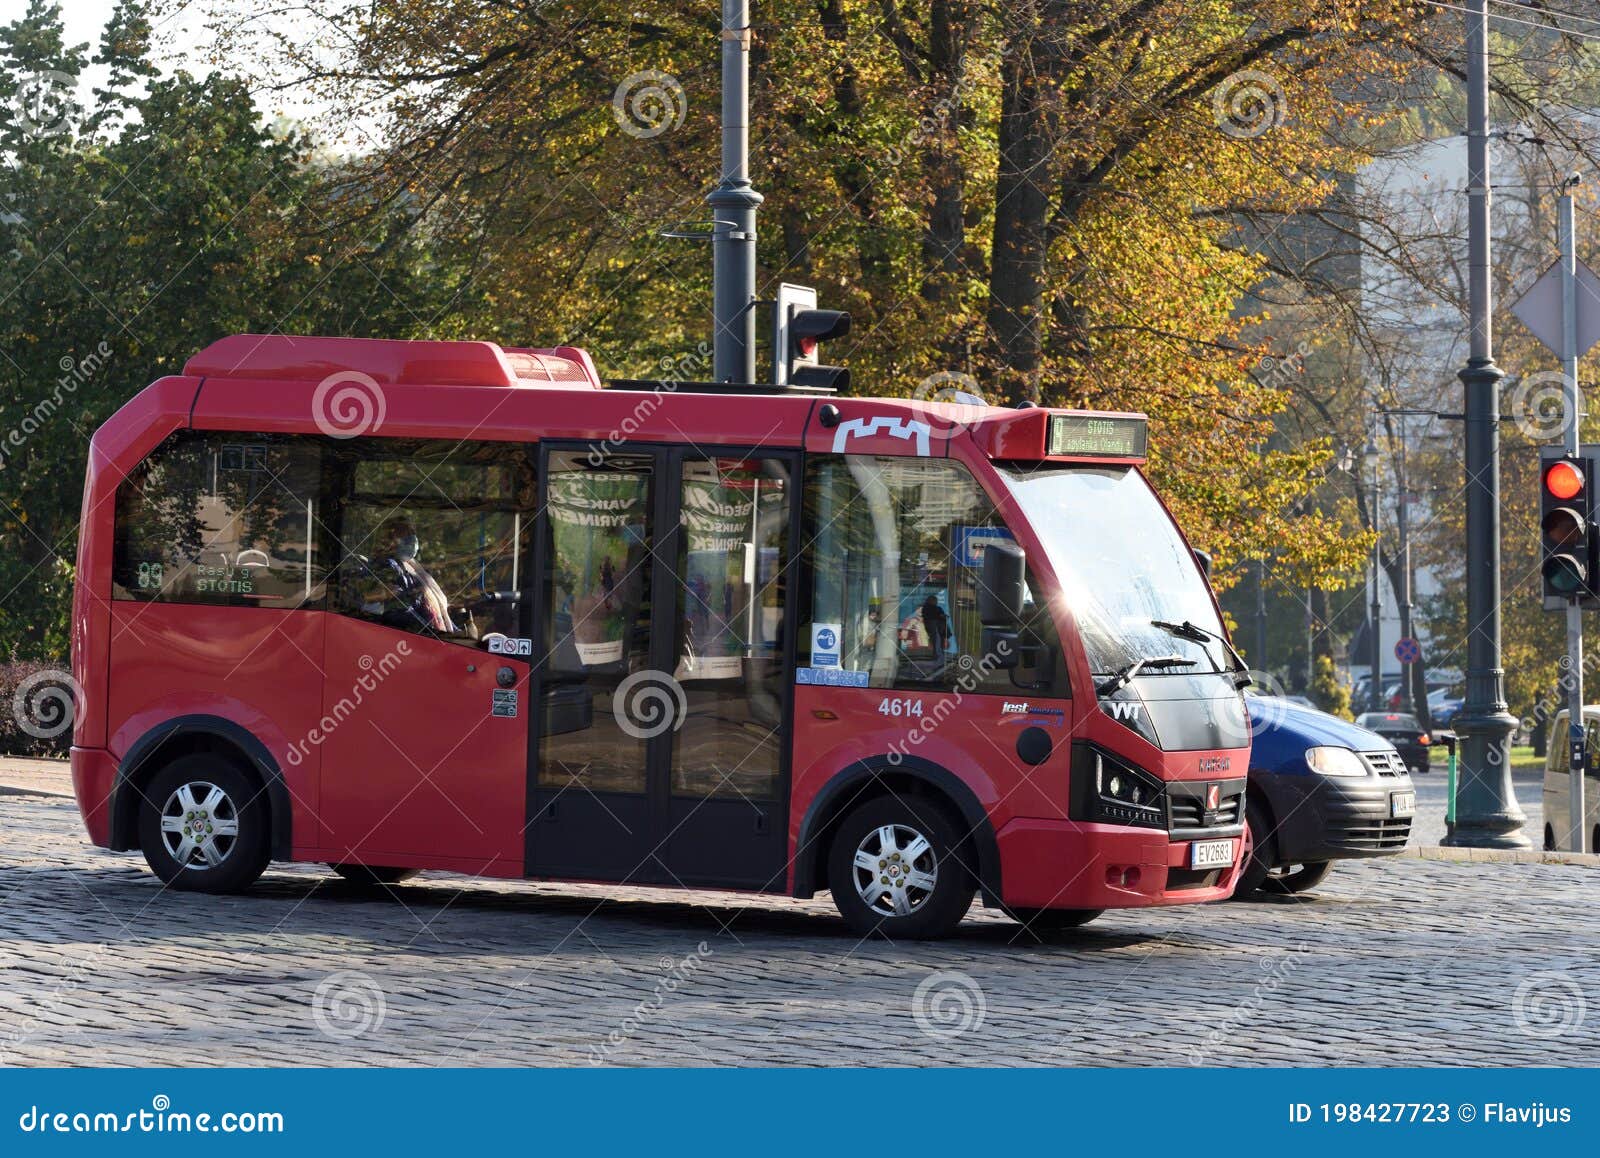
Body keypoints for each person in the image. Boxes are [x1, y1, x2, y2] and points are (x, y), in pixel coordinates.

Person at [364, 518, 457, 634]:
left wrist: (456, 631)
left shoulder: (412, 565)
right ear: (389, 540)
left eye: (412, 533)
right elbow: (400, 608)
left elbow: (433, 606)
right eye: (405, 535)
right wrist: (434, 634)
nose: (412, 539)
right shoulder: (387, 565)